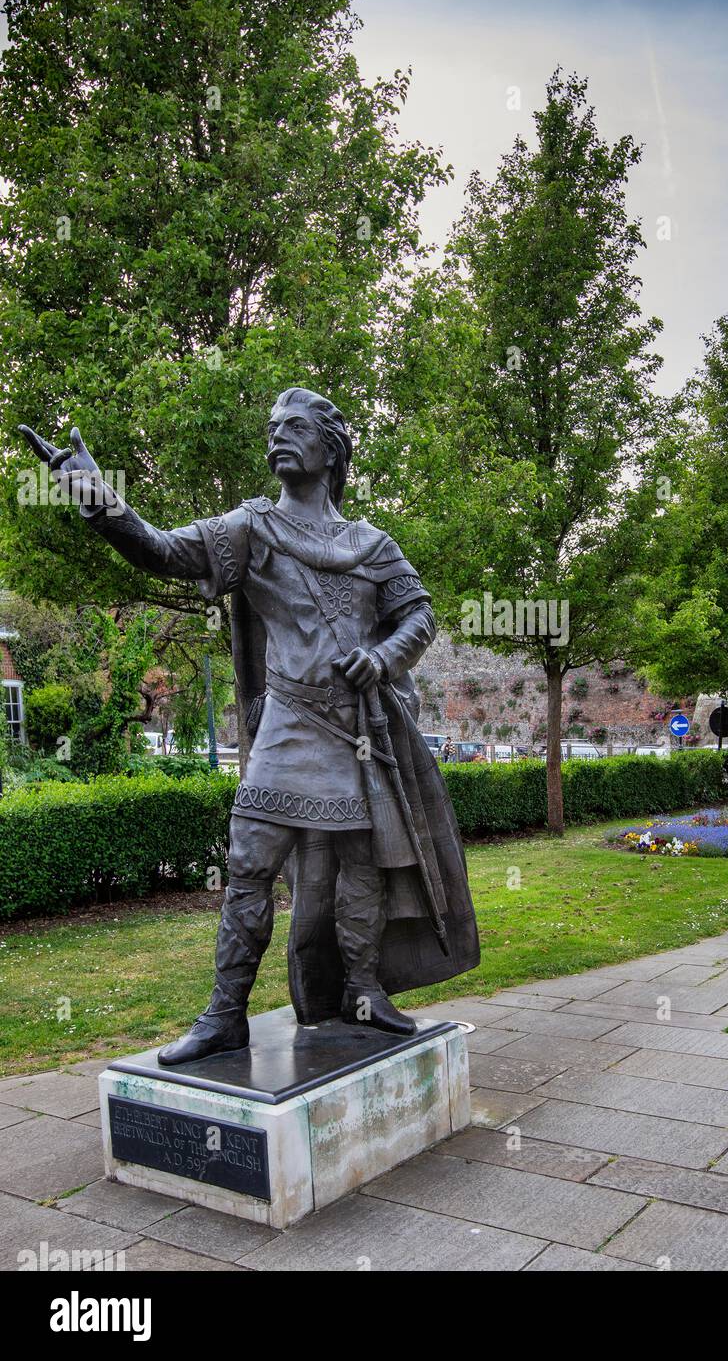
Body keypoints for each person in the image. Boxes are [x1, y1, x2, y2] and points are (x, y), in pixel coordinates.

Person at [20, 390, 479, 1064]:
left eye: (294, 427)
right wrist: (95, 492)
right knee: (248, 865)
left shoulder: (371, 544)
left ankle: (363, 990)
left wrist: (383, 656)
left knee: (363, 867)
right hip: (288, 724)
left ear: (331, 448)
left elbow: (420, 617)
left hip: (356, 732)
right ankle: (224, 1013)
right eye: (272, 428)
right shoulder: (250, 528)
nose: (278, 437)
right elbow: (161, 551)